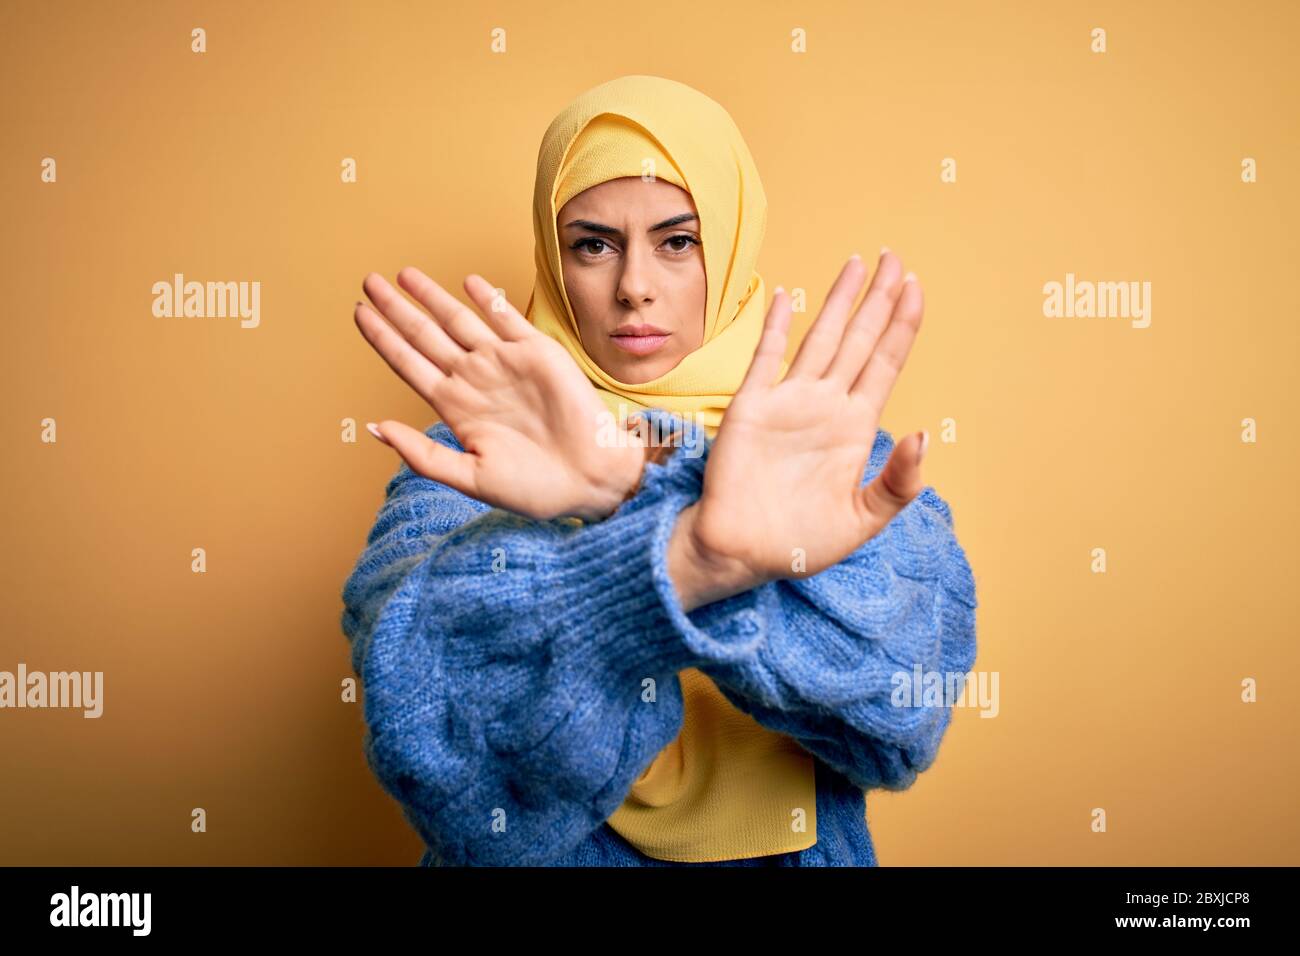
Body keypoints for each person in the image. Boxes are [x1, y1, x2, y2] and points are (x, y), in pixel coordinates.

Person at [340, 74, 978, 867]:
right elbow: (426, 728)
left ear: (733, 242)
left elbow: (904, 718)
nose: (634, 287)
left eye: (678, 241)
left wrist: (631, 491)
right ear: (554, 256)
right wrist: (682, 558)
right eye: (594, 245)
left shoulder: (834, 456)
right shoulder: (467, 459)